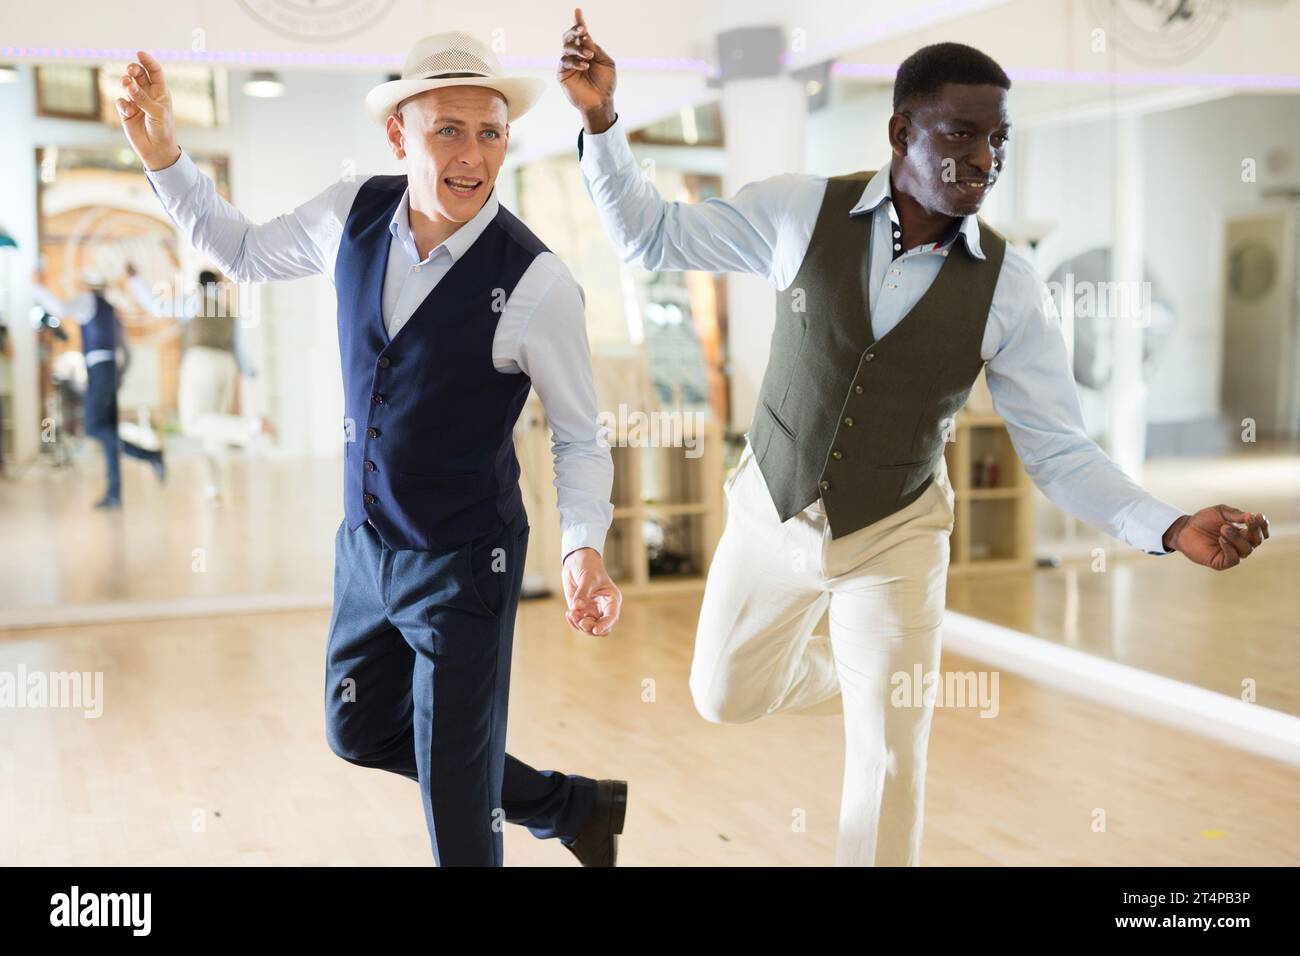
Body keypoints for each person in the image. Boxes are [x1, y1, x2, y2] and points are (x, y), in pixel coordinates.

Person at [558, 10, 1272, 866]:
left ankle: (888, 694)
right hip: (771, 512)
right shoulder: (798, 211)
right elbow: (651, 236)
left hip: (897, 535)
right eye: (961, 134)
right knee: (722, 694)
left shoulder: (1011, 286)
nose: (984, 160)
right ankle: (861, 683)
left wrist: (1165, 525)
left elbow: (1059, 449)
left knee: (892, 759)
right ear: (901, 129)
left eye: (998, 141)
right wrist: (602, 122)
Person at [117, 31, 628, 867]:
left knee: (457, 806)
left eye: (490, 133)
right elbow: (241, 250)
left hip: (466, 561)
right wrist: (165, 152)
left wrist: (582, 549)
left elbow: (578, 435)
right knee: (355, 729)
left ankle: (551, 808)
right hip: (364, 548)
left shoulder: (536, 283)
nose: (473, 156)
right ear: (400, 135)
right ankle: (569, 804)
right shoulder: (349, 212)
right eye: (449, 131)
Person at [126, 262, 265, 502]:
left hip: (201, 361)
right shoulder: (227, 311)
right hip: (227, 366)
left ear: (199, 284)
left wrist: (135, 280)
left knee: (192, 422)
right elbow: (239, 350)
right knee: (214, 428)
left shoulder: (194, 301)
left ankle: (250, 427)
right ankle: (215, 488)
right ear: (217, 285)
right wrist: (249, 372)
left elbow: (157, 306)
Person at [33, 268, 165, 508]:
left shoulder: (87, 300)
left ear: (88, 286)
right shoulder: (112, 311)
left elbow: (61, 310)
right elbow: (128, 351)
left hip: (100, 369)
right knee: (108, 430)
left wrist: (37, 287)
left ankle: (149, 456)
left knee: (95, 428)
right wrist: (119, 375)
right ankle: (114, 493)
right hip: (112, 370)